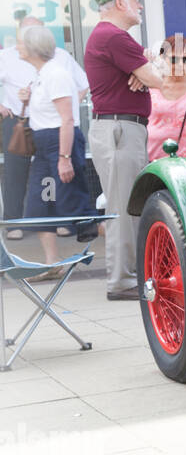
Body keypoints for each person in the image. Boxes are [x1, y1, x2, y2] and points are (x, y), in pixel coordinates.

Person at [85, 0, 164, 301]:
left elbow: (149, 73)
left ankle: (126, 276)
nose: (140, 6)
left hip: (119, 129)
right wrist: (148, 66)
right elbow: (159, 80)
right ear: (120, 4)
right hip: (119, 130)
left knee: (124, 204)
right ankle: (121, 281)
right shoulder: (114, 37)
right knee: (122, 207)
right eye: (136, 1)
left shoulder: (112, 38)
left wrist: (145, 64)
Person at [14, 25, 97, 277]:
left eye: (20, 42)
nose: (16, 47)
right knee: (43, 203)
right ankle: (53, 263)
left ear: (32, 47)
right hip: (44, 146)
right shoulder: (40, 74)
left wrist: (64, 158)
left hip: (59, 145)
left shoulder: (56, 74)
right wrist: (26, 100)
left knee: (76, 206)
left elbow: (67, 119)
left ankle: (123, 251)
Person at [1, 20, 89, 237]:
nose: (22, 42)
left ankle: (63, 221)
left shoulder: (57, 61)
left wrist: (69, 107)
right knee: (16, 172)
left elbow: (83, 84)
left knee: (56, 177)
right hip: (19, 121)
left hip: (54, 127)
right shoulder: (9, 56)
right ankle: (15, 223)